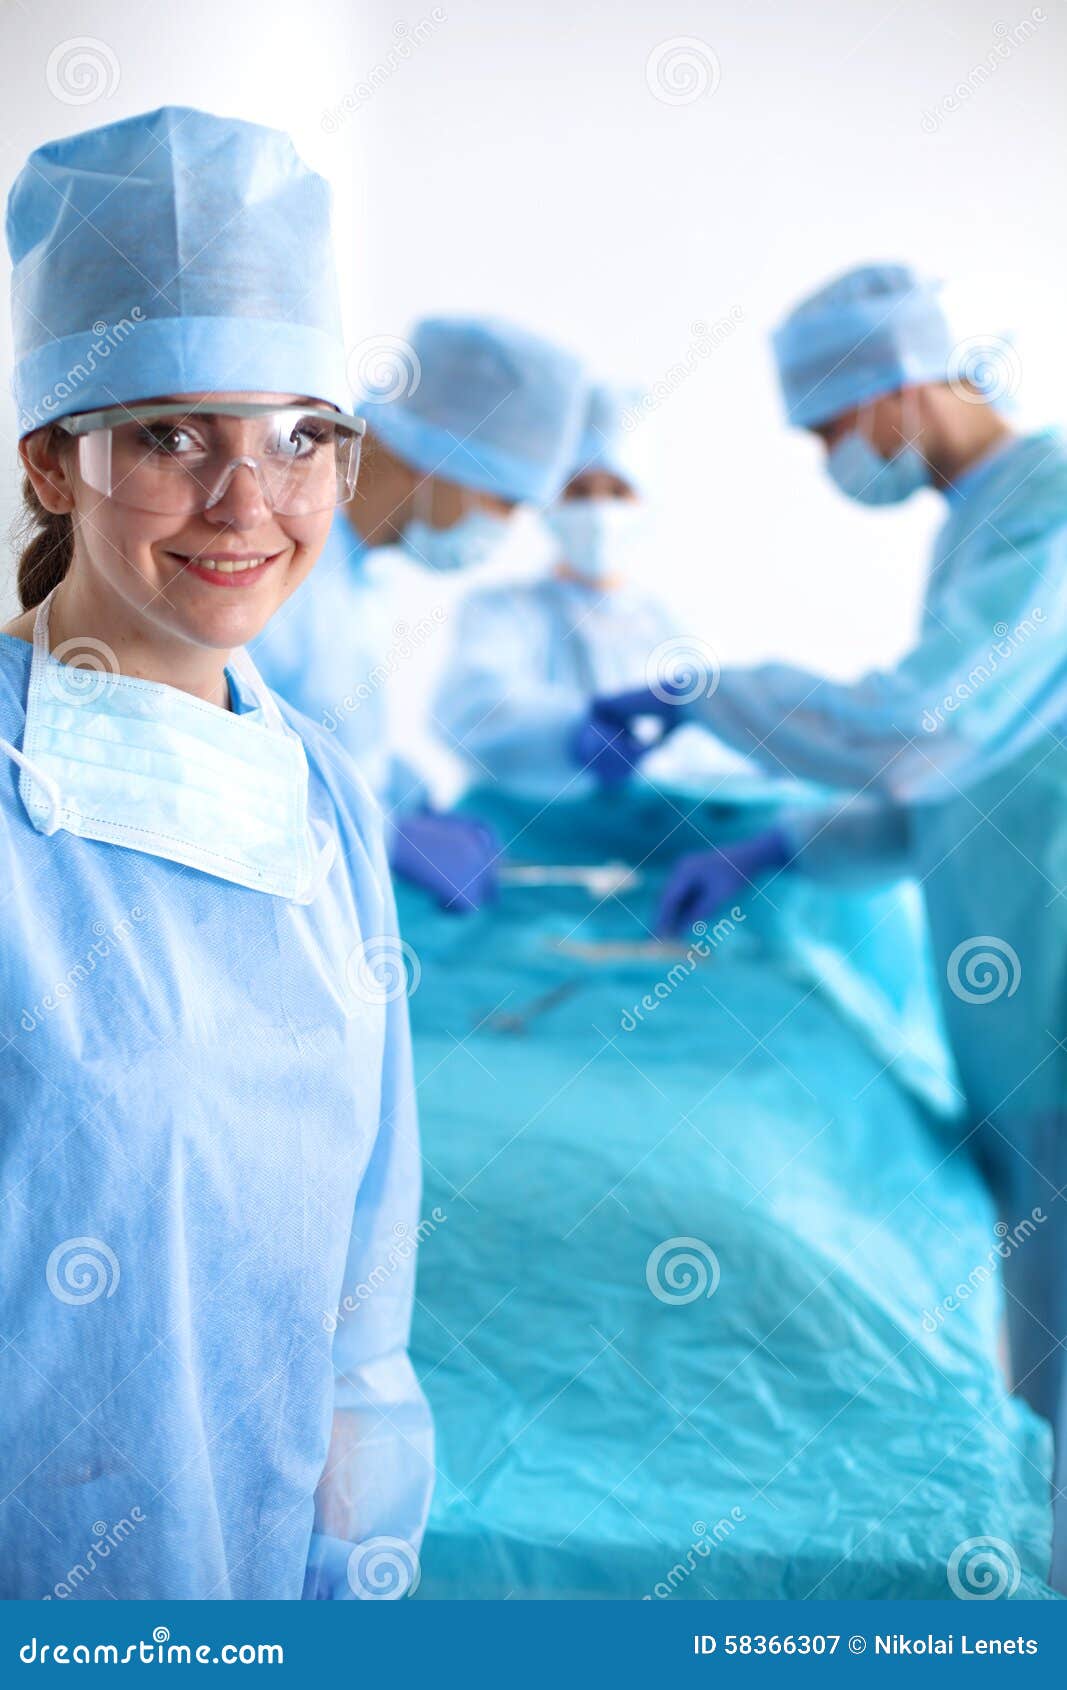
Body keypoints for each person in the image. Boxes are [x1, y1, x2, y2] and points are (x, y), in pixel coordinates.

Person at [0, 106, 432, 1601]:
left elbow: (361, 1300)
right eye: (174, 434)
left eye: (300, 437)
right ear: (55, 465)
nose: (249, 503)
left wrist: (350, 1582)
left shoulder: (321, 800)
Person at [580, 262, 1067, 1584]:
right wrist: (774, 845)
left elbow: (919, 730)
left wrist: (704, 687)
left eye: (825, 429)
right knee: (1038, 1414)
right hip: (1017, 1024)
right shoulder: (977, 530)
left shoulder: (1051, 512)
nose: (825, 461)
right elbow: (952, 801)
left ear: (897, 384)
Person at [255, 315, 586, 909]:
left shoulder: (356, 576)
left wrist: (389, 788)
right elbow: (211, 767)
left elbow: (314, 732)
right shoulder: (269, 560)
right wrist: (381, 834)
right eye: (506, 502)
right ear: (442, 450)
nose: (505, 529)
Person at [433, 382, 686, 799]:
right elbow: (467, 711)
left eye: (618, 491)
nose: (599, 512)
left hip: (646, 840)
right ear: (549, 498)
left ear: (646, 500)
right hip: (525, 844)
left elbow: (705, 752)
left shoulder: (670, 624)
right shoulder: (501, 612)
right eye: (579, 492)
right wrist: (569, 732)